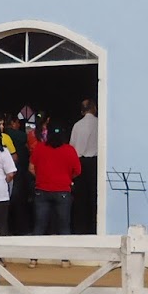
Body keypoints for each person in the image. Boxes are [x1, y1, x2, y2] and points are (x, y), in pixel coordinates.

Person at [30, 122, 81, 244]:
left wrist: (42, 177)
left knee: (39, 226)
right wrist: (67, 177)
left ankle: (33, 259)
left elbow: (31, 168)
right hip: (63, 190)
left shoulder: (39, 148)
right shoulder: (70, 150)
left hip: (42, 190)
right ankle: (64, 260)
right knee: (64, 227)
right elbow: (78, 171)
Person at [69, 97, 100, 234]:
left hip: (80, 163)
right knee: (94, 196)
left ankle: (80, 228)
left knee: (80, 198)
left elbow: (72, 148)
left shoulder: (77, 125)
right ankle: (94, 227)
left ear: (82, 111)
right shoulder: (100, 124)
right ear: (94, 109)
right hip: (95, 163)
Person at [3, 112, 33, 234]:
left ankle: (6, 227)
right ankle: (20, 229)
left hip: (2, 172)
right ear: (13, 123)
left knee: (5, 200)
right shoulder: (20, 136)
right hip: (18, 170)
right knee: (19, 200)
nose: (19, 125)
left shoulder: (3, 135)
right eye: (17, 122)